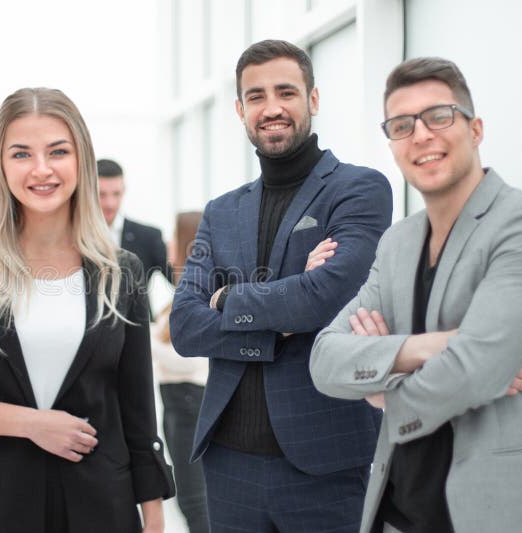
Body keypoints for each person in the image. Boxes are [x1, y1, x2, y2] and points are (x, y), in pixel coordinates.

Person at [0, 87, 174, 533]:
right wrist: (28, 423)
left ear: (81, 160)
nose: (41, 169)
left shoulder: (120, 270)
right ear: (0, 164)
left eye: (58, 151)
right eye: (21, 154)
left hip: (102, 508)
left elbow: (136, 407)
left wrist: (153, 516)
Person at [170, 39, 393, 532]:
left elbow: (326, 297)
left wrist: (228, 297)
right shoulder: (222, 212)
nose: (271, 108)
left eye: (286, 92)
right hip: (228, 463)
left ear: (313, 99)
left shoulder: (359, 189)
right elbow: (185, 327)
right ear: (240, 109)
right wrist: (284, 313)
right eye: (256, 96)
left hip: (326, 461)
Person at [310, 57, 522, 533]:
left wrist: (380, 392)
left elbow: (472, 372)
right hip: (398, 513)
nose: (421, 135)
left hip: (488, 513)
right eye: (402, 125)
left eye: (439, 116)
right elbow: (325, 359)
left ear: (475, 129)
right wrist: (432, 346)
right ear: (392, 144)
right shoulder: (397, 243)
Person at [152, 211, 210, 533]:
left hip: (189, 402)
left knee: (195, 500)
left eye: (173, 236)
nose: (166, 244)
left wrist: (141, 340)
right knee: (190, 498)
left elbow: (192, 359)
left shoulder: (201, 294)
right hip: (177, 403)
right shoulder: (181, 292)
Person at [98, 158, 172, 284]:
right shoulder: (72, 236)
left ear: (124, 190)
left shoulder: (149, 237)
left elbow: (185, 285)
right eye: (101, 194)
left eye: (116, 194)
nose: (110, 204)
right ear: (88, 193)